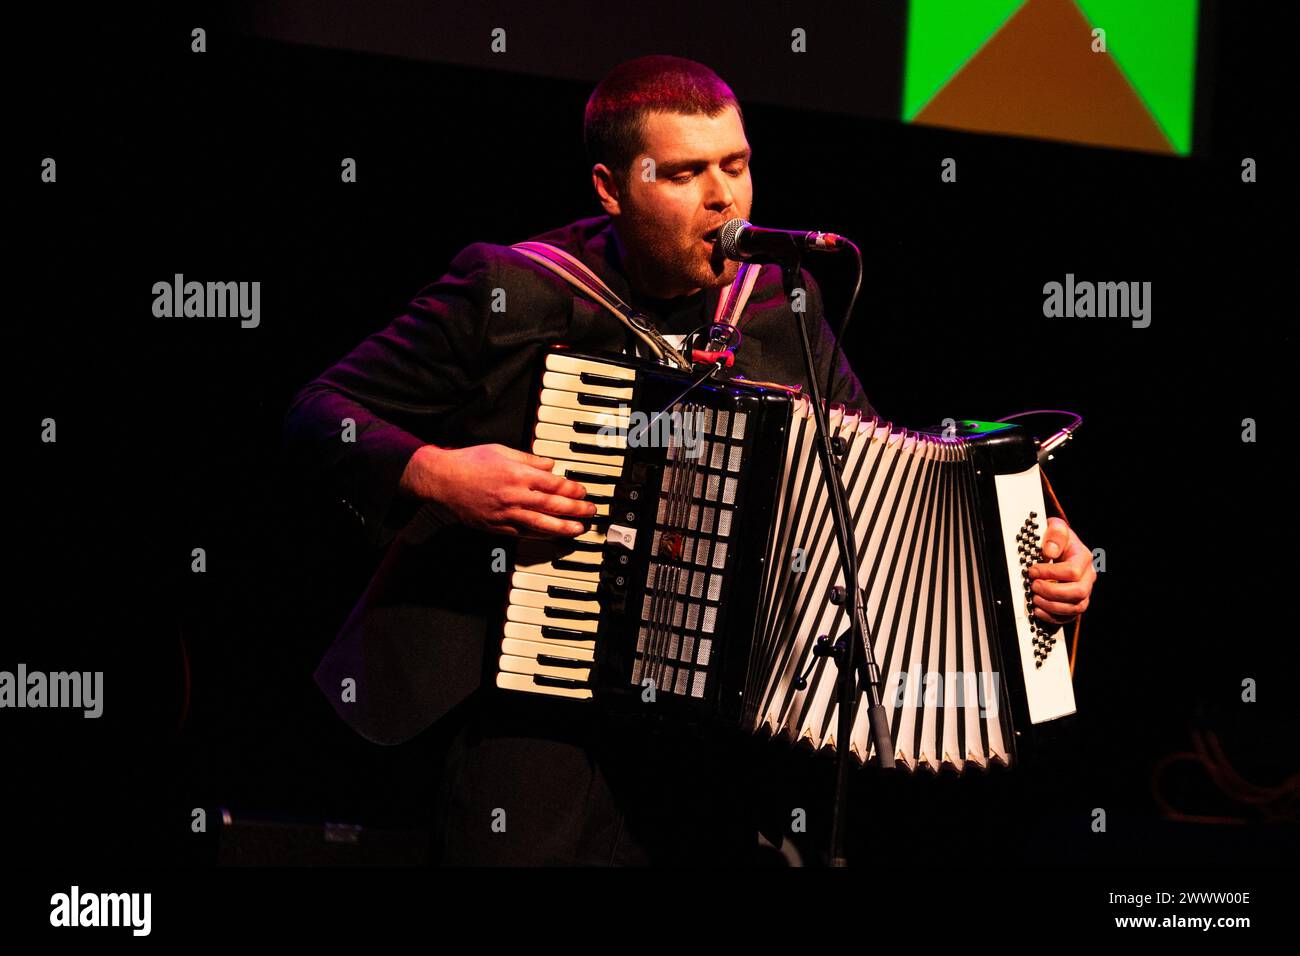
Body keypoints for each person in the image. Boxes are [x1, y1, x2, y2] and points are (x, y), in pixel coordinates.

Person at [283, 55, 1097, 865]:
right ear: (611, 187)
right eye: (684, 173)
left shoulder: (781, 309)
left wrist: (1036, 566)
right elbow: (319, 413)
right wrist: (439, 474)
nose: (723, 198)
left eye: (736, 166)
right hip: (530, 715)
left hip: (713, 744)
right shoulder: (514, 290)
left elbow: (892, 508)